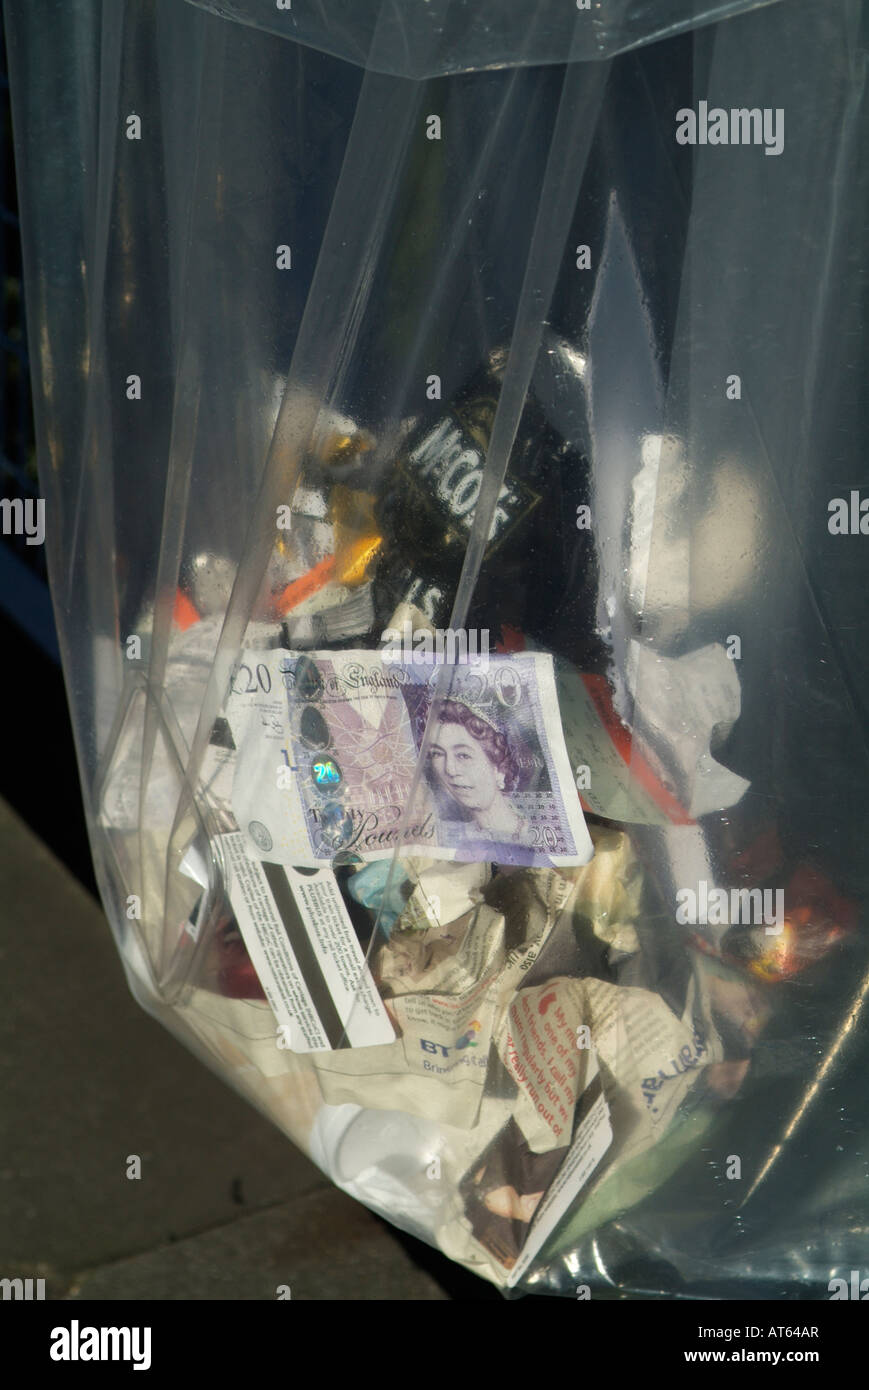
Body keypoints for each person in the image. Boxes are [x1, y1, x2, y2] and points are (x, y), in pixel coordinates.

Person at [426, 699, 532, 844]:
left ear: (499, 767)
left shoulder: (533, 832)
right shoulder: (443, 837)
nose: (450, 770)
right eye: (437, 754)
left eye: (463, 755)